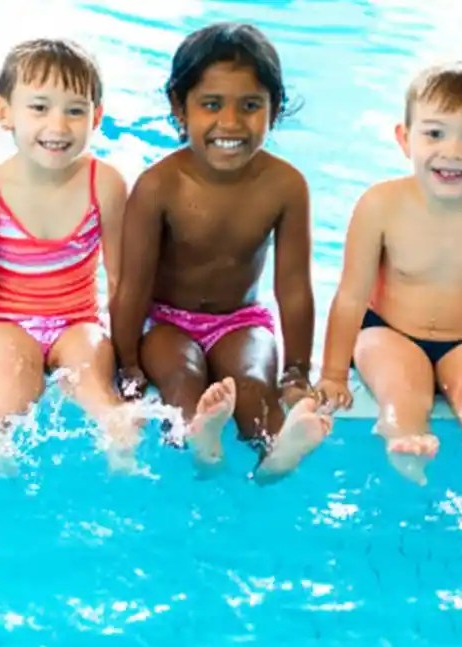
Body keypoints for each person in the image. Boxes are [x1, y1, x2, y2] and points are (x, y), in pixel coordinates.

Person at [109, 22, 331, 477]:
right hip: (167, 321)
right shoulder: (158, 187)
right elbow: (133, 285)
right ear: (180, 107)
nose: (230, 123)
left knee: (252, 384)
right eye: (211, 104)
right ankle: (200, 436)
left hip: (240, 320)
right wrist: (128, 364)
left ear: (275, 108)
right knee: (181, 375)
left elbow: (292, 288)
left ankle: (277, 452)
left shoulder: (286, 186)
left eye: (250, 106)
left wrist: (296, 370)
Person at [316, 62, 462, 488]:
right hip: (389, 331)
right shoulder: (380, 205)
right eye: (435, 133)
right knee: (404, 396)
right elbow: (351, 295)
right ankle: (404, 442)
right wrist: (332, 374)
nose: (454, 150)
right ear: (405, 139)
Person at [0, 39, 139, 466]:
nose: (58, 126)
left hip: (77, 322)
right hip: (7, 324)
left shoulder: (106, 184)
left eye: (75, 110)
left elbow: (119, 279)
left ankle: (120, 441)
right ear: (4, 112)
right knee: (17, 386)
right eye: (40, 108)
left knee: (93, 384)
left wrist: (130, 358)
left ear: (96, 117)